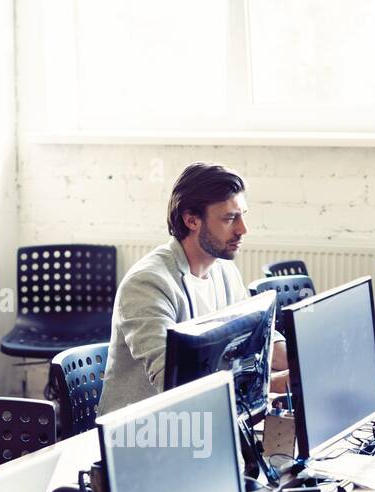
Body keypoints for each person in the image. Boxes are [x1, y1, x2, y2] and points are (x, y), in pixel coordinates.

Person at [97, 163, 287, 416]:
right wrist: (272, 384)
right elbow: (177, 388)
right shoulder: (148, 284)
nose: (243, 229)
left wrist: (301, 365)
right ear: (191, 220)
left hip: (203, 422)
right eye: (230, 218)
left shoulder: (224, 271)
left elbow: (259, 339)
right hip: (145, 434)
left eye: (242, 215)